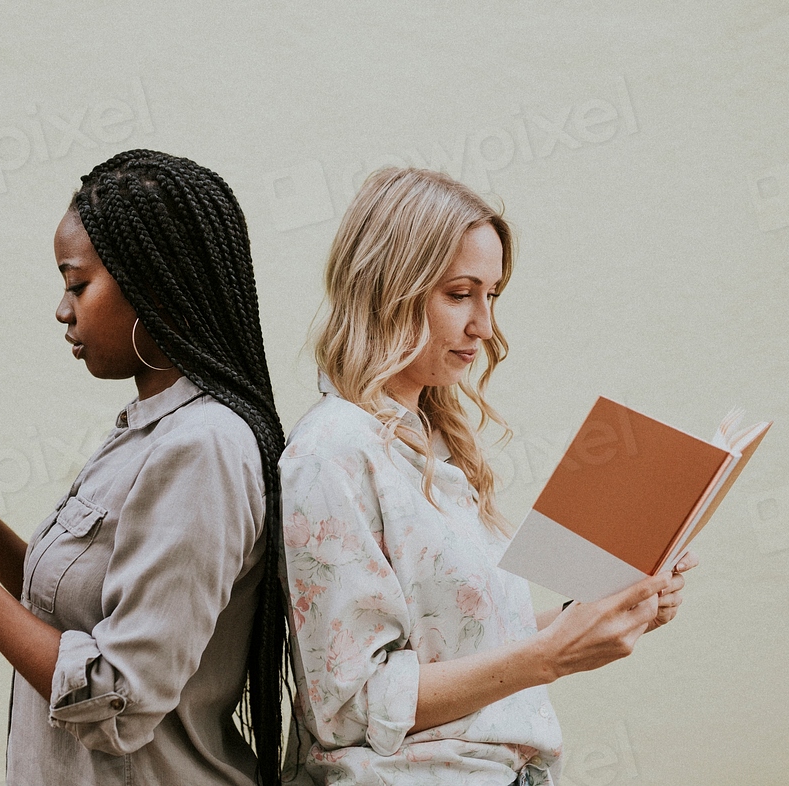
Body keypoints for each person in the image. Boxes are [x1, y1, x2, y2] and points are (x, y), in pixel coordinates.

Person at [0, 150, 288, 786]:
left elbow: (117, 704)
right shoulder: (147, 429)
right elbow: (65, 612)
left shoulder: (204, 450)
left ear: (153, 284)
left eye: (77, 284)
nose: (63, 311)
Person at [279, 167, 697, 786]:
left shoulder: (437, 445)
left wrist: (603, 611)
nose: (484, 325)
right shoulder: (331, 453)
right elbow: (348, 707)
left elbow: (472, 649)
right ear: (389, 288)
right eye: (459, 294)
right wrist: (549, 657)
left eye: (492, 295)